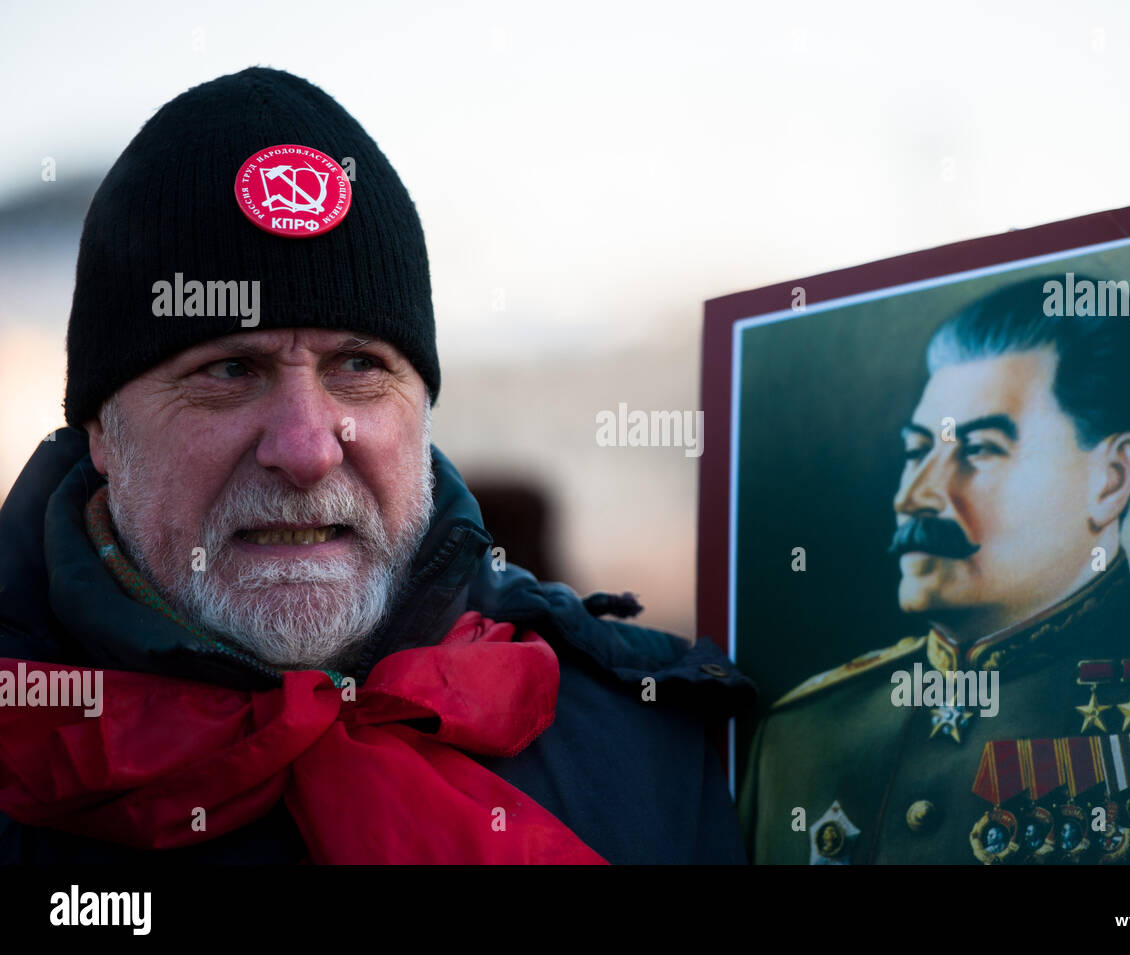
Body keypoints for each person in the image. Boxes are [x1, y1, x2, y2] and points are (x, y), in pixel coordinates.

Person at [0, 67, 753, 864]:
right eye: (229, 371)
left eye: (357, 364)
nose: (305, 448)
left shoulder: (664, 752)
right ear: (102, 433)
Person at [739, 277, 1130, 864]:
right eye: (916, 451)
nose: (915, 496)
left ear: (1111, 479)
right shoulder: (800, 735)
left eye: (977, 450)